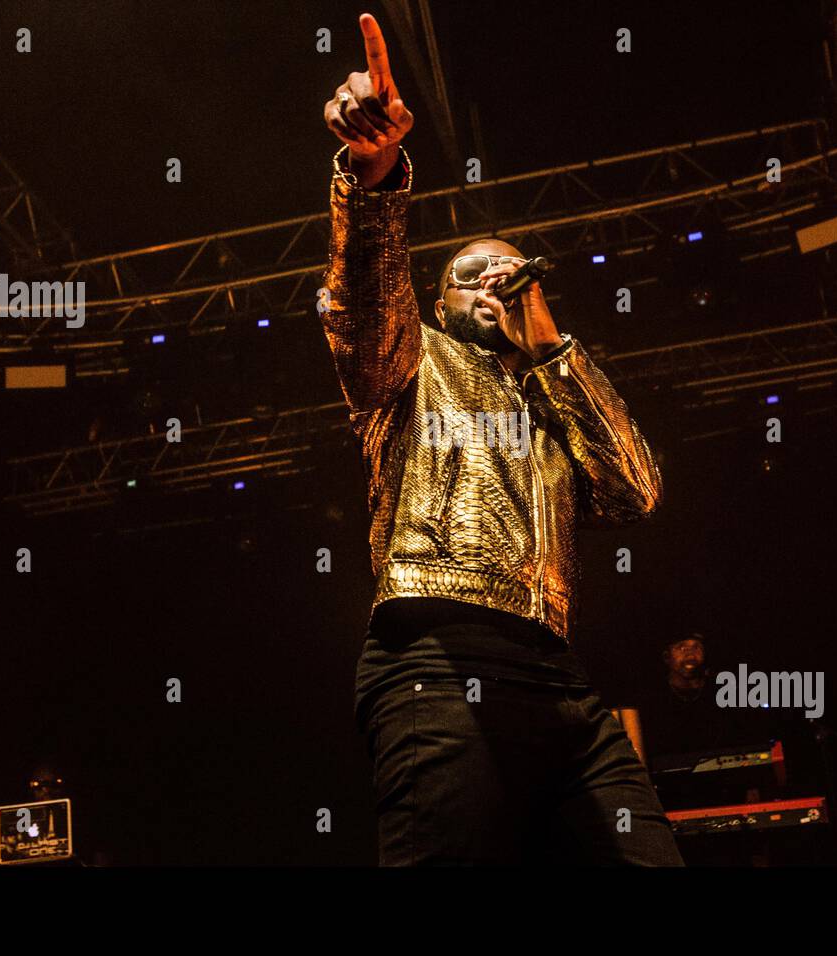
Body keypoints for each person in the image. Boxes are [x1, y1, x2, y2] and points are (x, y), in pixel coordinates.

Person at [319, 14, 681, 865]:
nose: (494, 280)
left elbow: (637, 491)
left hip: (558, 672)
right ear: (439, 303)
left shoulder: (555, 393)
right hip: (438, 654)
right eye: (469, 273)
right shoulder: (412, 361)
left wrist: (555, 350)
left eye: (510, 270)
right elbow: (366, 304)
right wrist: (373, 176)